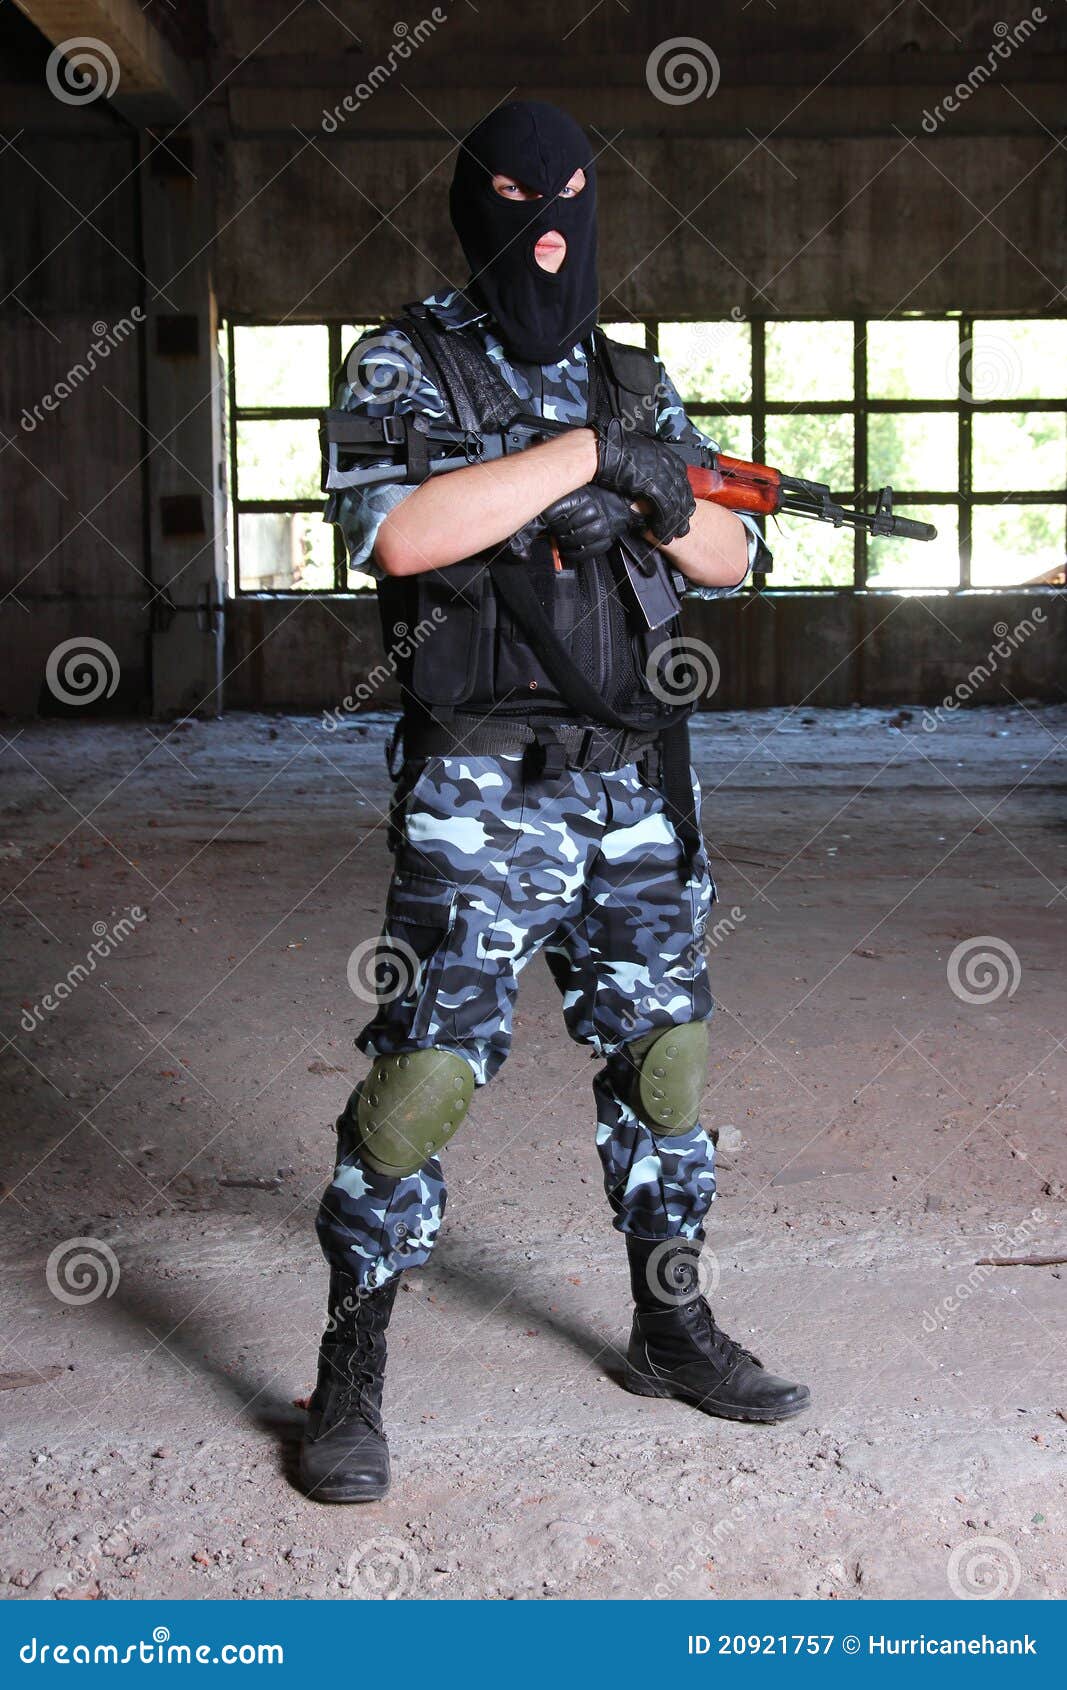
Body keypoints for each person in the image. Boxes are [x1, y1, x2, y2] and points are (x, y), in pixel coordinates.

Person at [302, 100, 809, 1504]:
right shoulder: (406, 362)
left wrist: (654, 495)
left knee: (667, 1067)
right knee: (421, 1083)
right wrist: (580, 463)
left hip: (633, 784)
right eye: (521, 198)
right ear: (475, 209)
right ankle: (348, 1370)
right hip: (479, 790)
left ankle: (670, 1324)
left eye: (573, 196)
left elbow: (731, 554)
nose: (550, 228)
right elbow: (398, 532)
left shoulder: (635, 378)